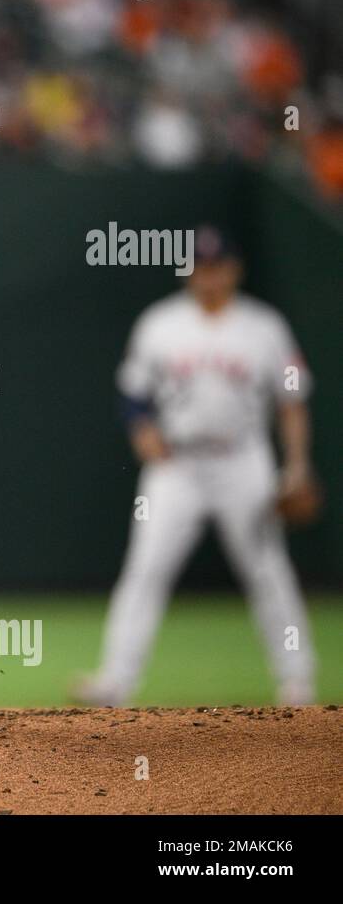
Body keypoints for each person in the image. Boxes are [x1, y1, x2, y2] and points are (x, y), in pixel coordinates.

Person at [76, 226, 319, 708]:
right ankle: (116, 681)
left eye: (217, 266)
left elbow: (292, 401)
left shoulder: (263, 327)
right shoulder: (160, 323)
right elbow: (133, 393)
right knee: (145, 569)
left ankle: (298, 682)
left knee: (268, 571)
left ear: (234, 270)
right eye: (199, 267)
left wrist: (296, 468)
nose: (207, 276)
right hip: (176, 465)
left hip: (243, 461)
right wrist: (142, 430)